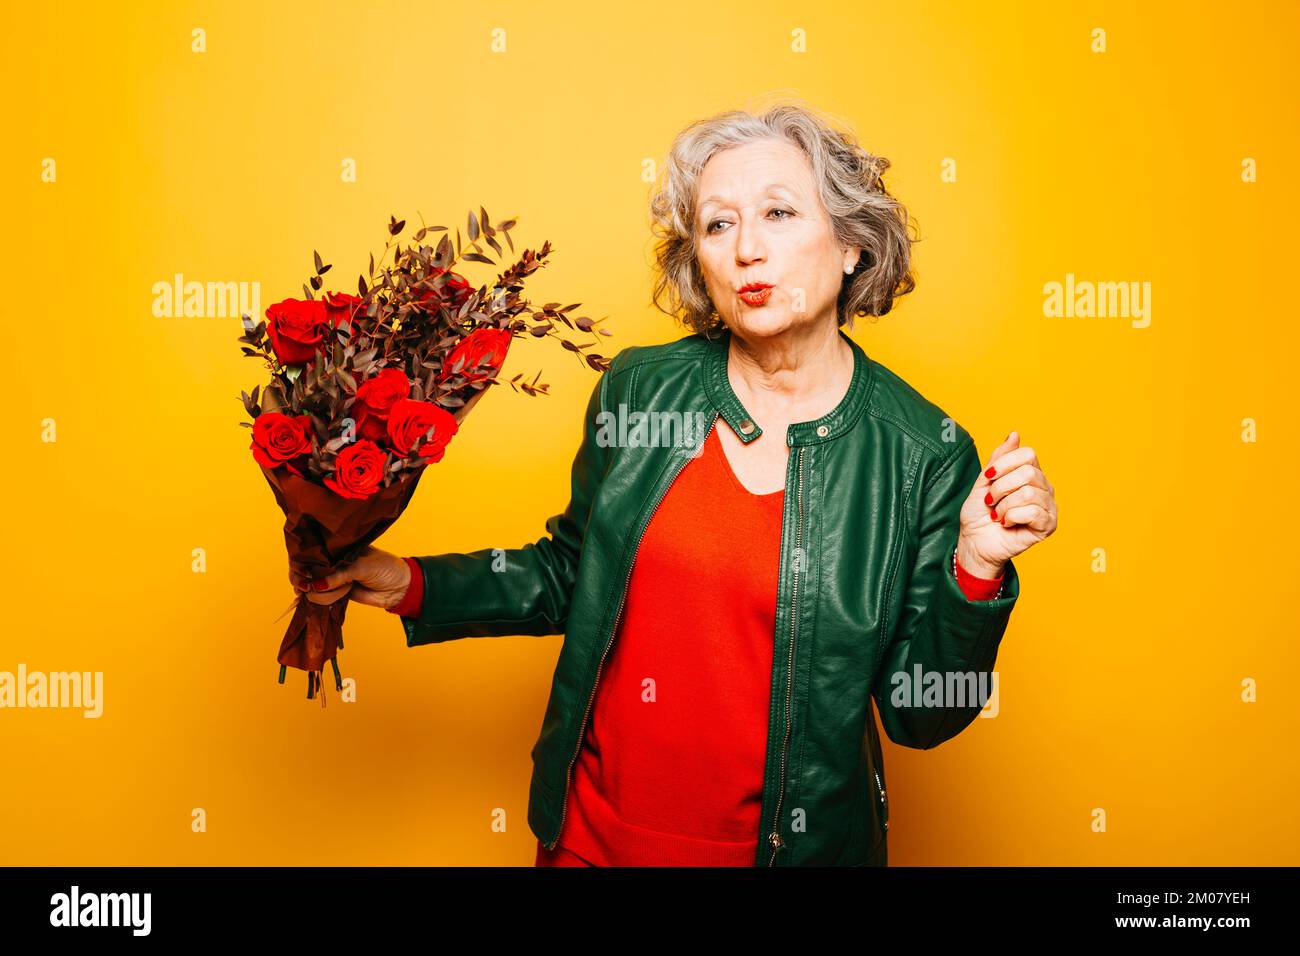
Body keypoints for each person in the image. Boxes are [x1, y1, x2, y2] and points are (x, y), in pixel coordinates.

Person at [293, 100, 1059, 867]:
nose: (746, 251)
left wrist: (978, 569)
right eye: (717, 225)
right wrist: (408, 584)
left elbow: (919, 714)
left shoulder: (920, 452)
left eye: (779, 213)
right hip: (591, 843)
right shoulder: (641, 391)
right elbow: (572, 572)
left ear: (854, 244)